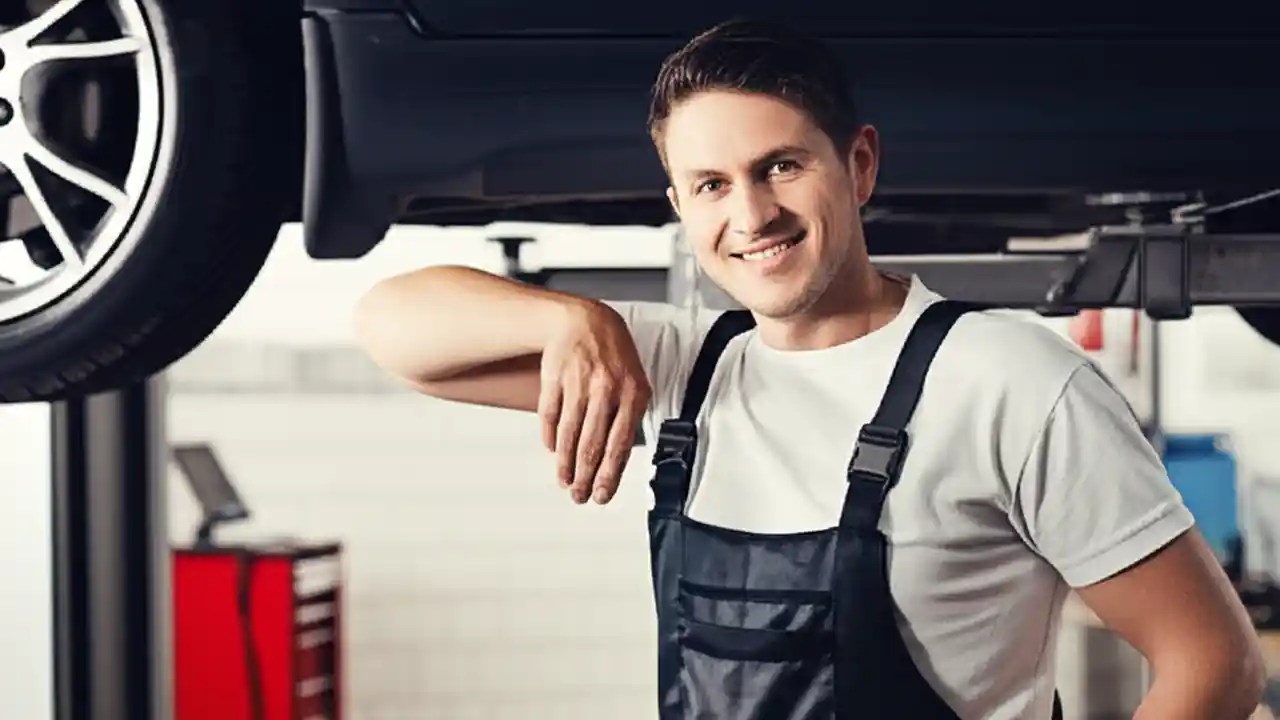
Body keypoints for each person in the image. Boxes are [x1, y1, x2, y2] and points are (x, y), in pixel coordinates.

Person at [351, 18, 1265, 720]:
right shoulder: (680, 366)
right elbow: (393, 327)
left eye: (780, 166)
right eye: (711, 184)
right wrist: (569, 316)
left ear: (857, 165)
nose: (751, 214)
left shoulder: (1012, 383)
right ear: (680, 205)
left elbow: (1214, 662)